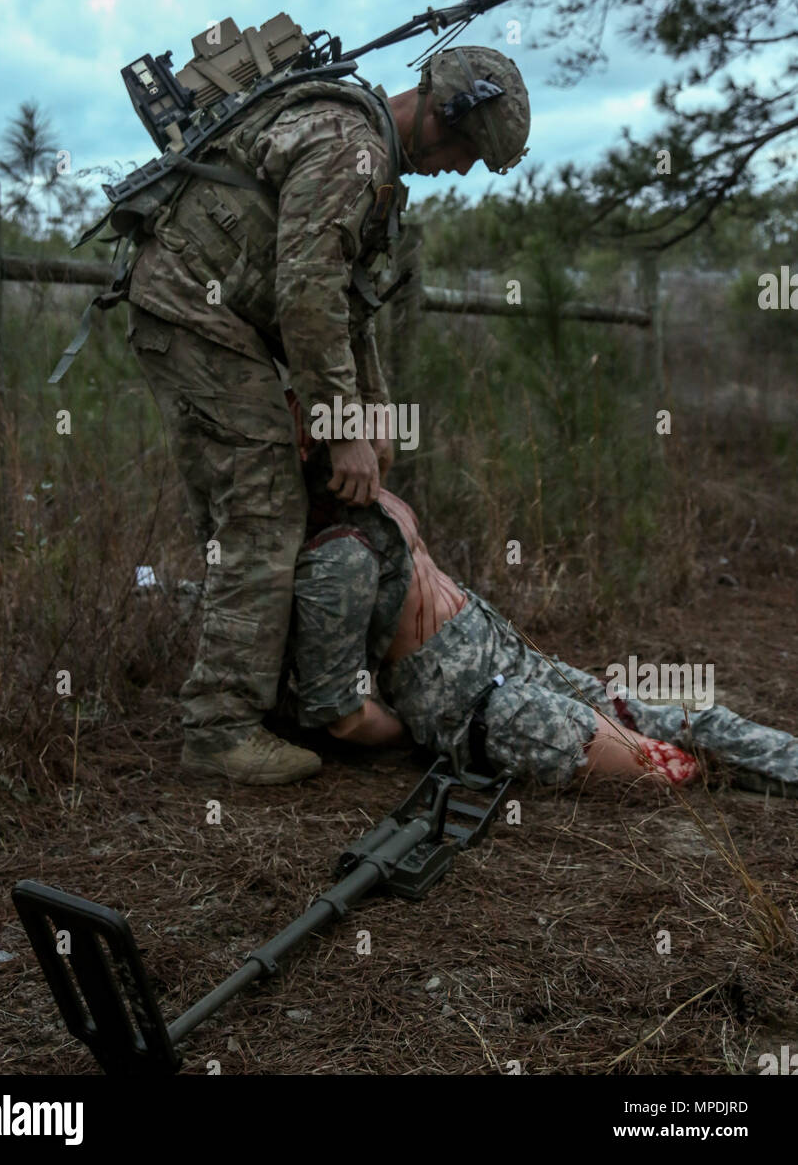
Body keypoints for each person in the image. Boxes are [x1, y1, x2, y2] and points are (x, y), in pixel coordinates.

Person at [126, 45, 531, 783]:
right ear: (442, 113)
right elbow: (306, 296)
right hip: (192, 313)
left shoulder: (370, 160)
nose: (464, 168)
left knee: (256, 503)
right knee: (262, 502)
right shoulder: (353, 150)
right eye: (470, 150)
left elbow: (348, 309)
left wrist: (371, 420)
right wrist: (343, 433)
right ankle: (220, 729)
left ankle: (265, 694)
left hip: (214, 318)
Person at [290, 452, 798, 797]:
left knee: (700, 721)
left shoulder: (370, 489)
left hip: (513, 658)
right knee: (665, 763)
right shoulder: (335, 556)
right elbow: (345, 716)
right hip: (478, 707)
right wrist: (423, 737)